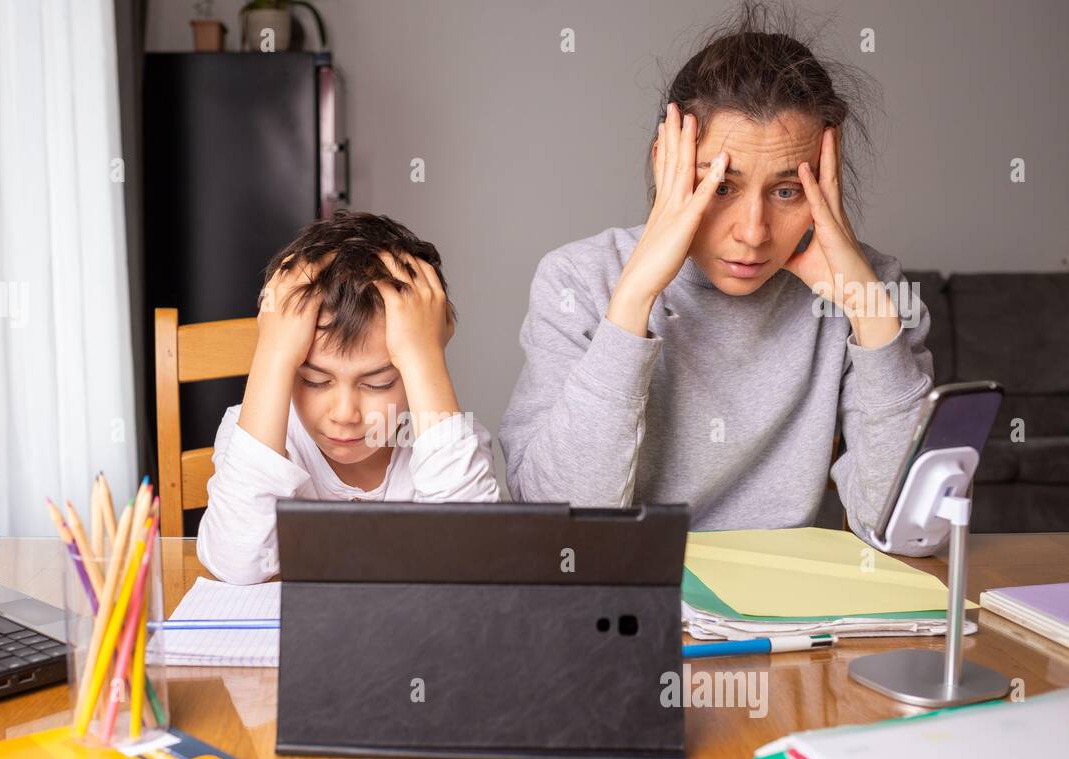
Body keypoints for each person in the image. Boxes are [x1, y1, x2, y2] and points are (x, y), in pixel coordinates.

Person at [499, 2, 935, 555]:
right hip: (626, 605)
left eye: (786, 191)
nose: (752, 233)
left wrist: (868, 309)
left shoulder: (871, 291)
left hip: (787, 615)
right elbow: (557, 525)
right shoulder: (579, 279)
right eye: (721, 187)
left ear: (826, 184)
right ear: (666, 165)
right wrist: (633, 301)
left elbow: (908, 533)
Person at [198, 211, 500, 584]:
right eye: (313, 380)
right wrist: (272, 353)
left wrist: (425, 356)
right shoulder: (255, 431)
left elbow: (475, 564)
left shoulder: (449, 442)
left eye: (377, 383)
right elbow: (235, 563)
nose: (344, 414)